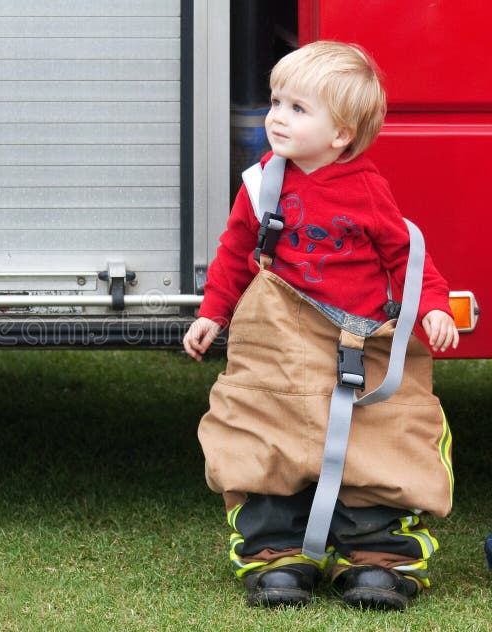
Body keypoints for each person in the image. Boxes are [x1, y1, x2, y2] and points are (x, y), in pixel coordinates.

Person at [184, 41, 459, 610]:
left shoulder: (366, 190)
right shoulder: (263, 183)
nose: (276, 116)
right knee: (264, 433)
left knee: (379, 442)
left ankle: (379, 560)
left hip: (356, 343)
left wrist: (431, 305)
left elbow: (406, 255)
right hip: (278, 345)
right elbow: (236, 252)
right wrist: (214, 311)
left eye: (297, 108)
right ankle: (277, 555)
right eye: (275, 101)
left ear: (342, 135)